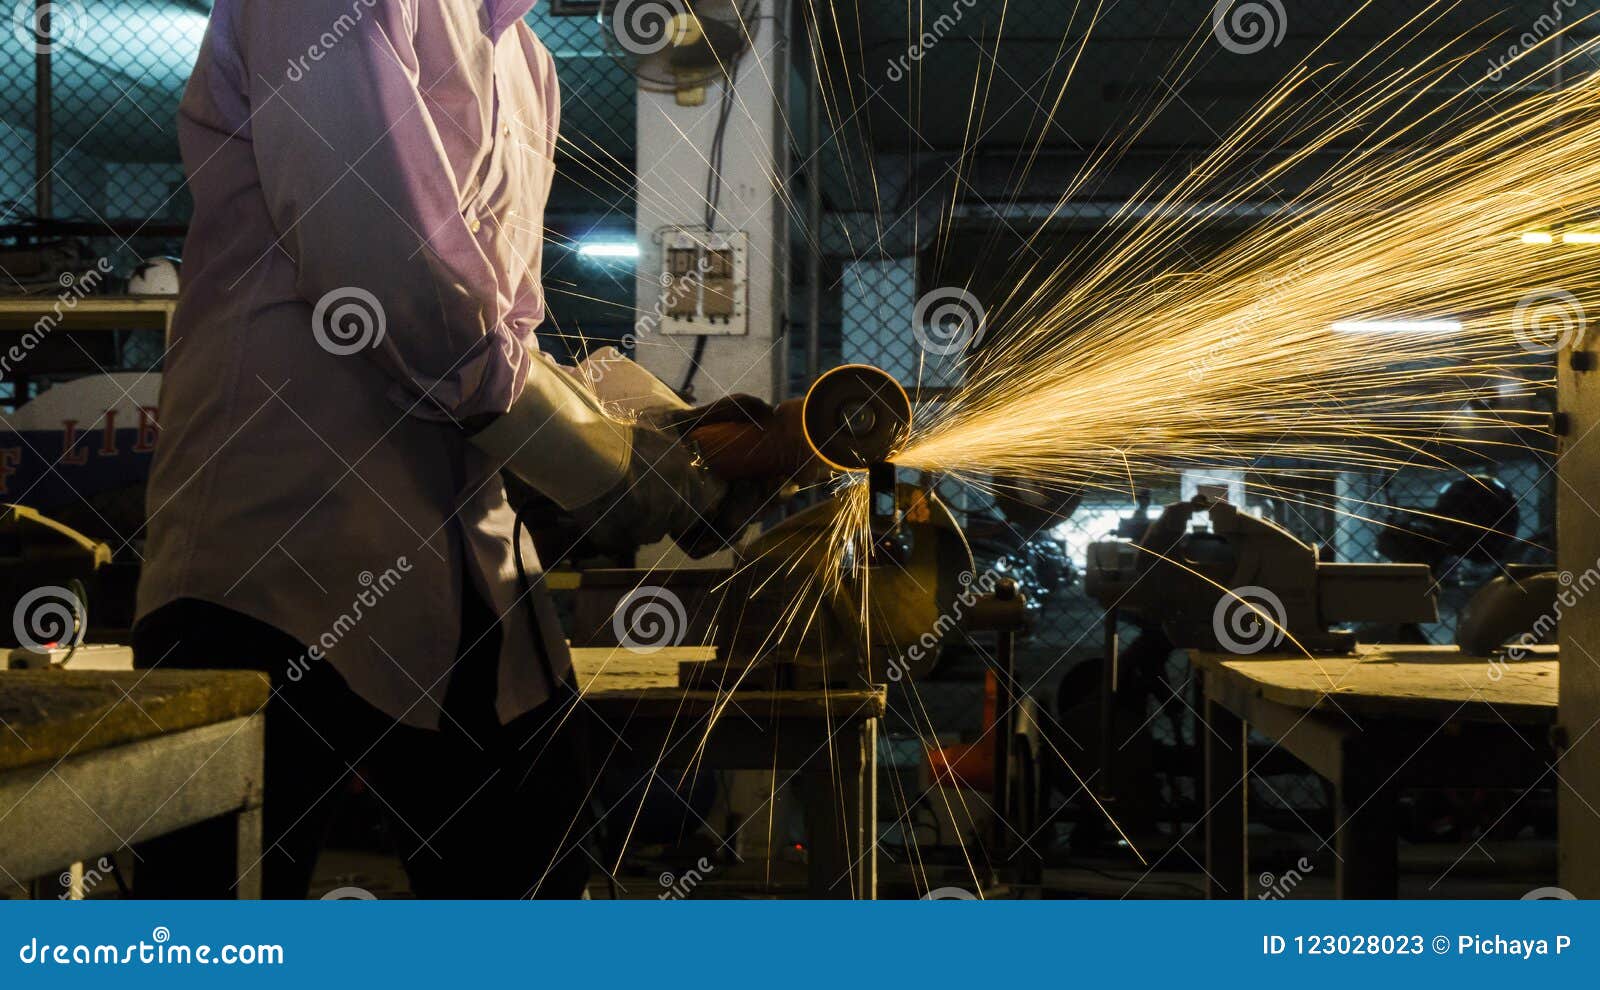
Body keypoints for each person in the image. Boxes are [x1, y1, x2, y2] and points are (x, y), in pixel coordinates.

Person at [133, 0, 763, 899]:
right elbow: (392, 279)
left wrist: (666, 438)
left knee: (533, 851)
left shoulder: (527, 65)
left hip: (460, 556)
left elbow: (503, 333)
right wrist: (610, 467)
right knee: (209, 925)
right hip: (274, 564)